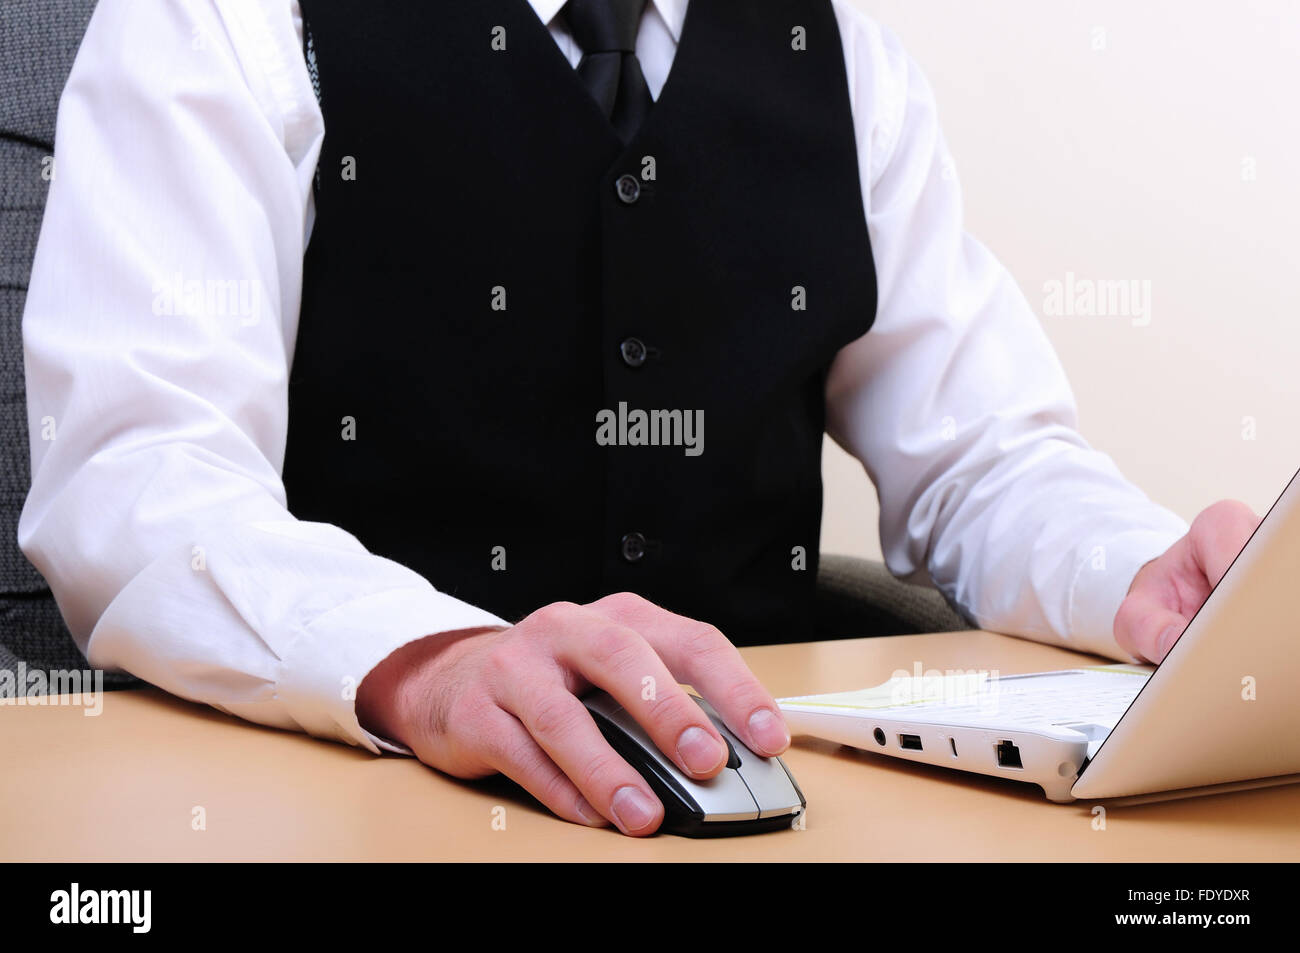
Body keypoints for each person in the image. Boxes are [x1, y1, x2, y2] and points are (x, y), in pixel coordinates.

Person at [19, 0, 1257, 836]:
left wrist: (1140, 572)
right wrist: (425, 661)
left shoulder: (838, 46)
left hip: (760, 809)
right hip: (346, 809)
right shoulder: (222, 19)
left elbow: (983, 457)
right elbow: (137, 475)